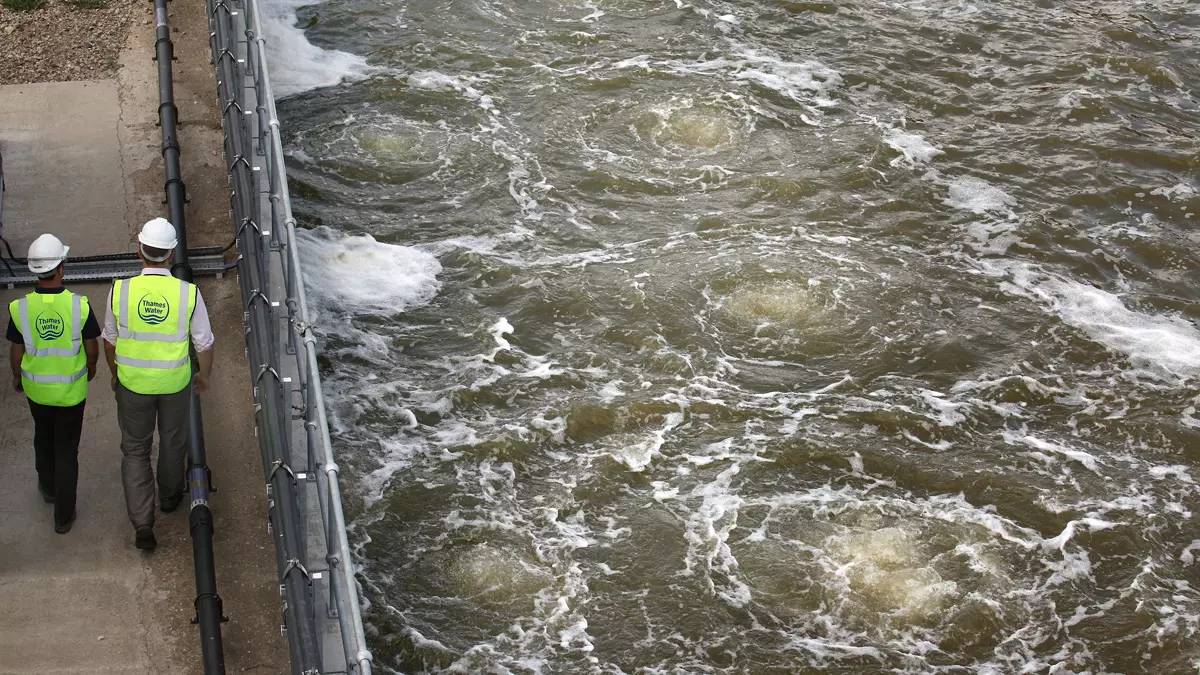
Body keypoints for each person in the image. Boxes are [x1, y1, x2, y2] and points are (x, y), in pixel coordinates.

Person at [102, 217, 214, 552]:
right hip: (174, 384)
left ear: (140, 251)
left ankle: (142, 523)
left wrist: (115, 374)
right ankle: (168, 498)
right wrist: (203, 376)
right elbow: (204, 343)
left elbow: (110, 340)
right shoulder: (188, 294)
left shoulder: (119, 290)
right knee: (173, 440)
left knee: (135, 449)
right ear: (171, 253)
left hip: (132, 384)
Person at [7, 234, 100, 534]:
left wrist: (17, 377)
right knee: (66, 450)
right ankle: (63, 517)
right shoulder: (79, 306)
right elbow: (92, 346)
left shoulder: (20, 308)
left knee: (43, 438)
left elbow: (16, 351)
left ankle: (48, 489)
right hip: (71, 395)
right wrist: (93, 366)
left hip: (37, 392)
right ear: (62, 268)